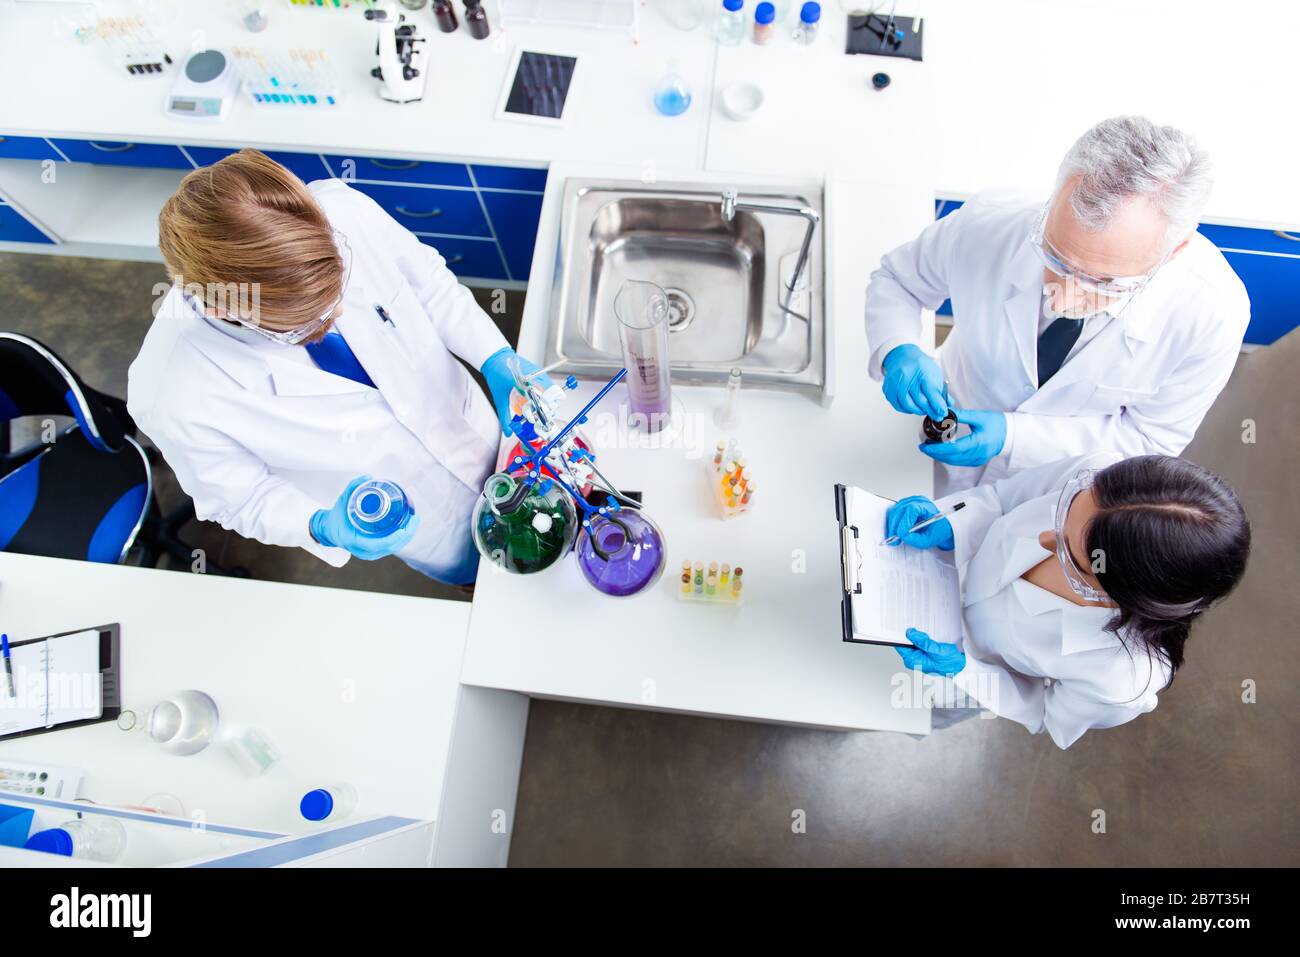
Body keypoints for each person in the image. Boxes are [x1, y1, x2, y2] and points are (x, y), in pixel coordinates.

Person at [127, 150, 545, 584]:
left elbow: (431, 286)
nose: (340, 311)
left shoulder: (344, 210)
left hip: (478, 428)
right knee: (495, 582)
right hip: (432, 522)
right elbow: (241, 499)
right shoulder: (170, 393)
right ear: (221, 305)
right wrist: (319, 524)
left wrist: (495, 357)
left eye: (339, 289)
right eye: (308, 321)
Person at [865, 116, 1250, 496]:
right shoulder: (993, 222)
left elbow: (1148, 439)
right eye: (1057, 259)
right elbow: (899, 281)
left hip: (1054, 487)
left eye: (1104, 282)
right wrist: (899, 348)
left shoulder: (1212, 315)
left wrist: (1013, 437)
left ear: (1174, 252)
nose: (1064, 296)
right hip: (927, 433)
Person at [885, 452, 1250, 749]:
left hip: (946, 678)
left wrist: (964, 672)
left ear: (1121, 595)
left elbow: (1043, 713)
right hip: (914, 574)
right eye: (1066, 509)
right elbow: (1001, 499)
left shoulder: (1122, 680)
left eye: (1069, 555)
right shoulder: (1095, 481)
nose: (1044, 537)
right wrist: (953, 523)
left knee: (869, 707)